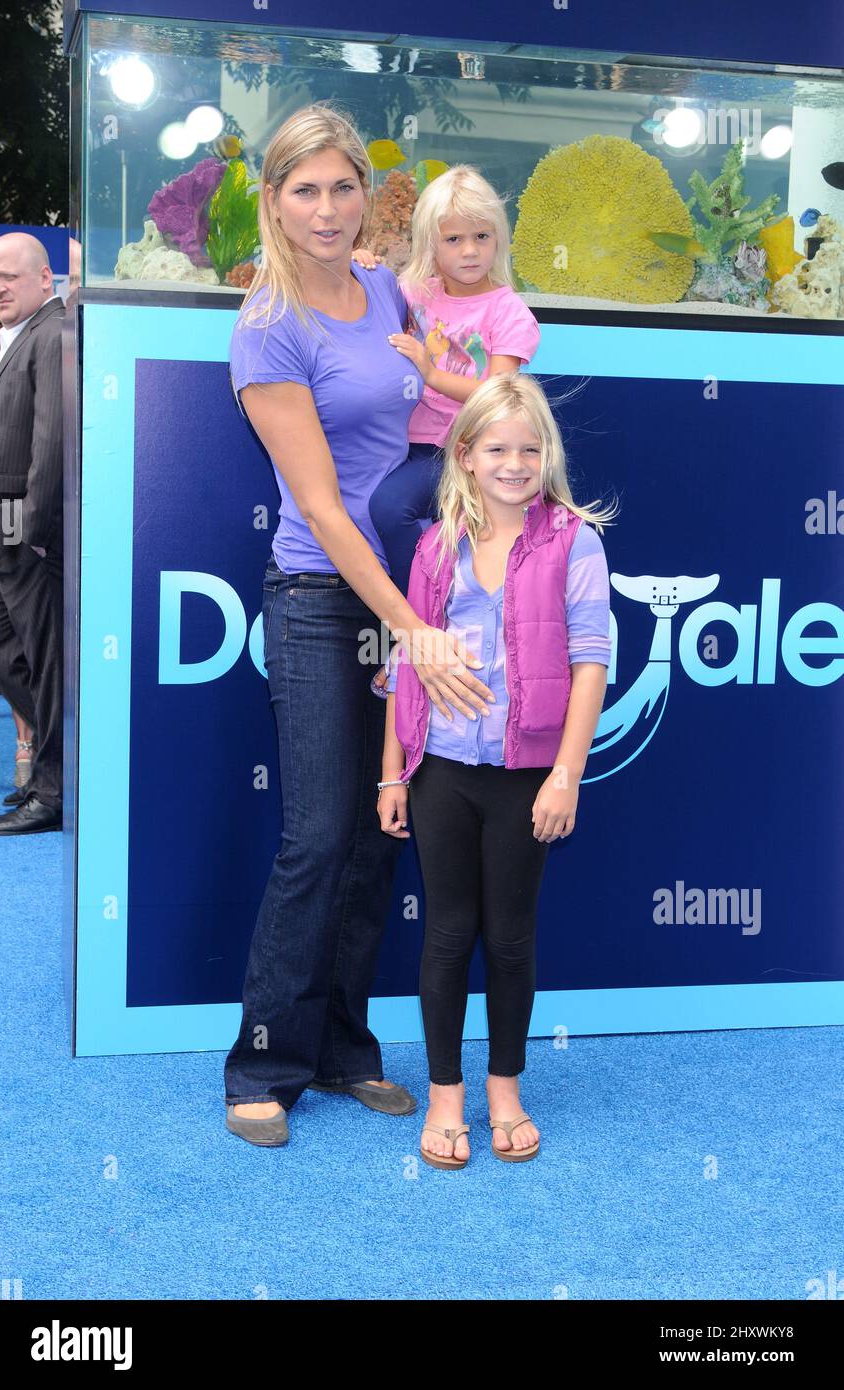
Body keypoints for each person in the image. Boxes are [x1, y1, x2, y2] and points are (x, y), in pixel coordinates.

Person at [223, 103, 499, 1149]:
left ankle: (342, 1048)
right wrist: (410, 627)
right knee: (318, 833)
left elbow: (442, 402)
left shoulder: (383, 287)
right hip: (320, 597)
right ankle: (261, 1059)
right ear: (275, 201)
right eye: (306, 190)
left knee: (380, 843)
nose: (327, 208)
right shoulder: (266, 326)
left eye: (343, 187)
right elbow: (326, 506)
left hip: (409, 596)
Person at [377, 371, 617, 1170]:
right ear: (466, 456)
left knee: (509, 936)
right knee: (446, 932)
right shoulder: (434, 544)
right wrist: (391, 773)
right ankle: (444, 1095)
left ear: (546, 455)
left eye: (530, 447)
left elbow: (590, 663)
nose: (515, 462)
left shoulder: (573, 539)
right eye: (497, 448)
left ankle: (503, 1089)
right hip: (441, 765)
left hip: (526, 772)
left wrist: (565, 776)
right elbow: (405, 662)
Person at [355, 165, 541, 598]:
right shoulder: (416, 292)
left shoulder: (508, 310)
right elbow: (367, 298)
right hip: (409, 445)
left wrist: (432, 374)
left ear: (499, 239)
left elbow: (498, 393)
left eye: (482, 237)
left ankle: (438, 605)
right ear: (431, 246)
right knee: (381, 511)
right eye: (454, 239)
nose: (470, 251)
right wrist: (361, 263)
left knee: (411, 513)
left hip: (468, 451)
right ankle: (426, 597)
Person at [0, 233, 64, 835]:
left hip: (23, 532)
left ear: (45, 279)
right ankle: (50, 770)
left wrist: (31, 530)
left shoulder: (53, 332)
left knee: (44, 661)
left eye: (9, 277)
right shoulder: (20, 338)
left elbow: (50, 439)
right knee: (7, 653)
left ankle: (56, 791)